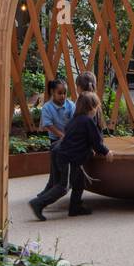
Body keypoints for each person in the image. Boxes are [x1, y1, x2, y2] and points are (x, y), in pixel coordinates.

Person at [29, 90, 113, 220]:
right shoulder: (88, 121)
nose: (97, 110)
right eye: (96, 107)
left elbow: (79, 139)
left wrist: (88, 149)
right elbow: (96, 142)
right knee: (64, 186)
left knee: (80, 182)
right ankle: (38, 203)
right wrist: (107, 152)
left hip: (68, 156)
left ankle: (75, 207)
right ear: (91, 108)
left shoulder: (75, 120)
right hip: (69, 158)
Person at [39, 78, 74, 144]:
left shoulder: (71, 105)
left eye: (65, 93)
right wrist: (62, 135)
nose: (63, 96)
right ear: (52, 92)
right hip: (55, 139)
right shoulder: (47, 107)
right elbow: (49, 125)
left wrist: (70, 134)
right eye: (60, 93)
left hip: (70, 137)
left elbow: (75, 120)